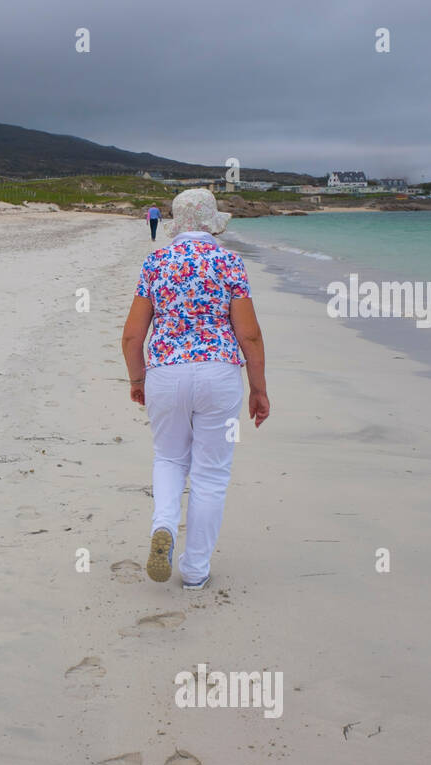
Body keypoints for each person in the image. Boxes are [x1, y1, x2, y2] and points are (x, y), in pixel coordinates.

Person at [121, 189, 269, 589]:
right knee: (210, 475)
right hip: (218, 374)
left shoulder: (156, 262)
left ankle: (165, 525)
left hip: (166, 373)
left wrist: (138, 380)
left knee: (169, 459)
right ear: (211, 223)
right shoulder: (228, 262)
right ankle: (196, 571)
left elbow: (133, 336)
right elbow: (250, 336)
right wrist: (259, 388)